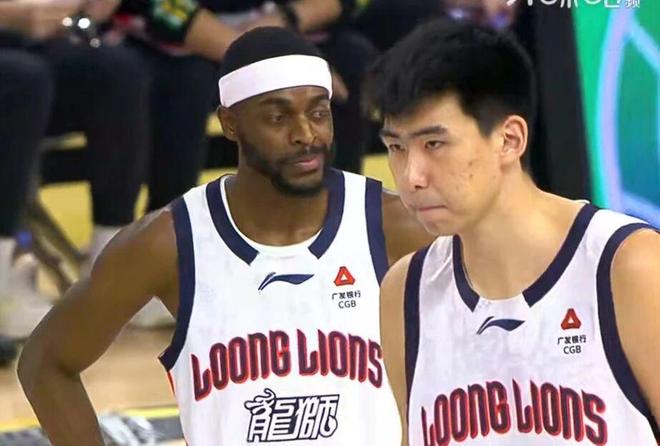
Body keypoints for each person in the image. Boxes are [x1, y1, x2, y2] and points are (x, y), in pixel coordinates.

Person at [18, 27, 433, 444]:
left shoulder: (397, 227)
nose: (305, 134)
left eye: (318, 113)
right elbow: (45, 363)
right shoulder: (169, 243)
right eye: (278, 117)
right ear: (230, 124)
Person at [370, 20, 659, 445]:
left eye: (434, 144)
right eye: (396, 147)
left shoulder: (628, 265)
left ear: (509, 139)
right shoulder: (405, 291)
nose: (411, 176)